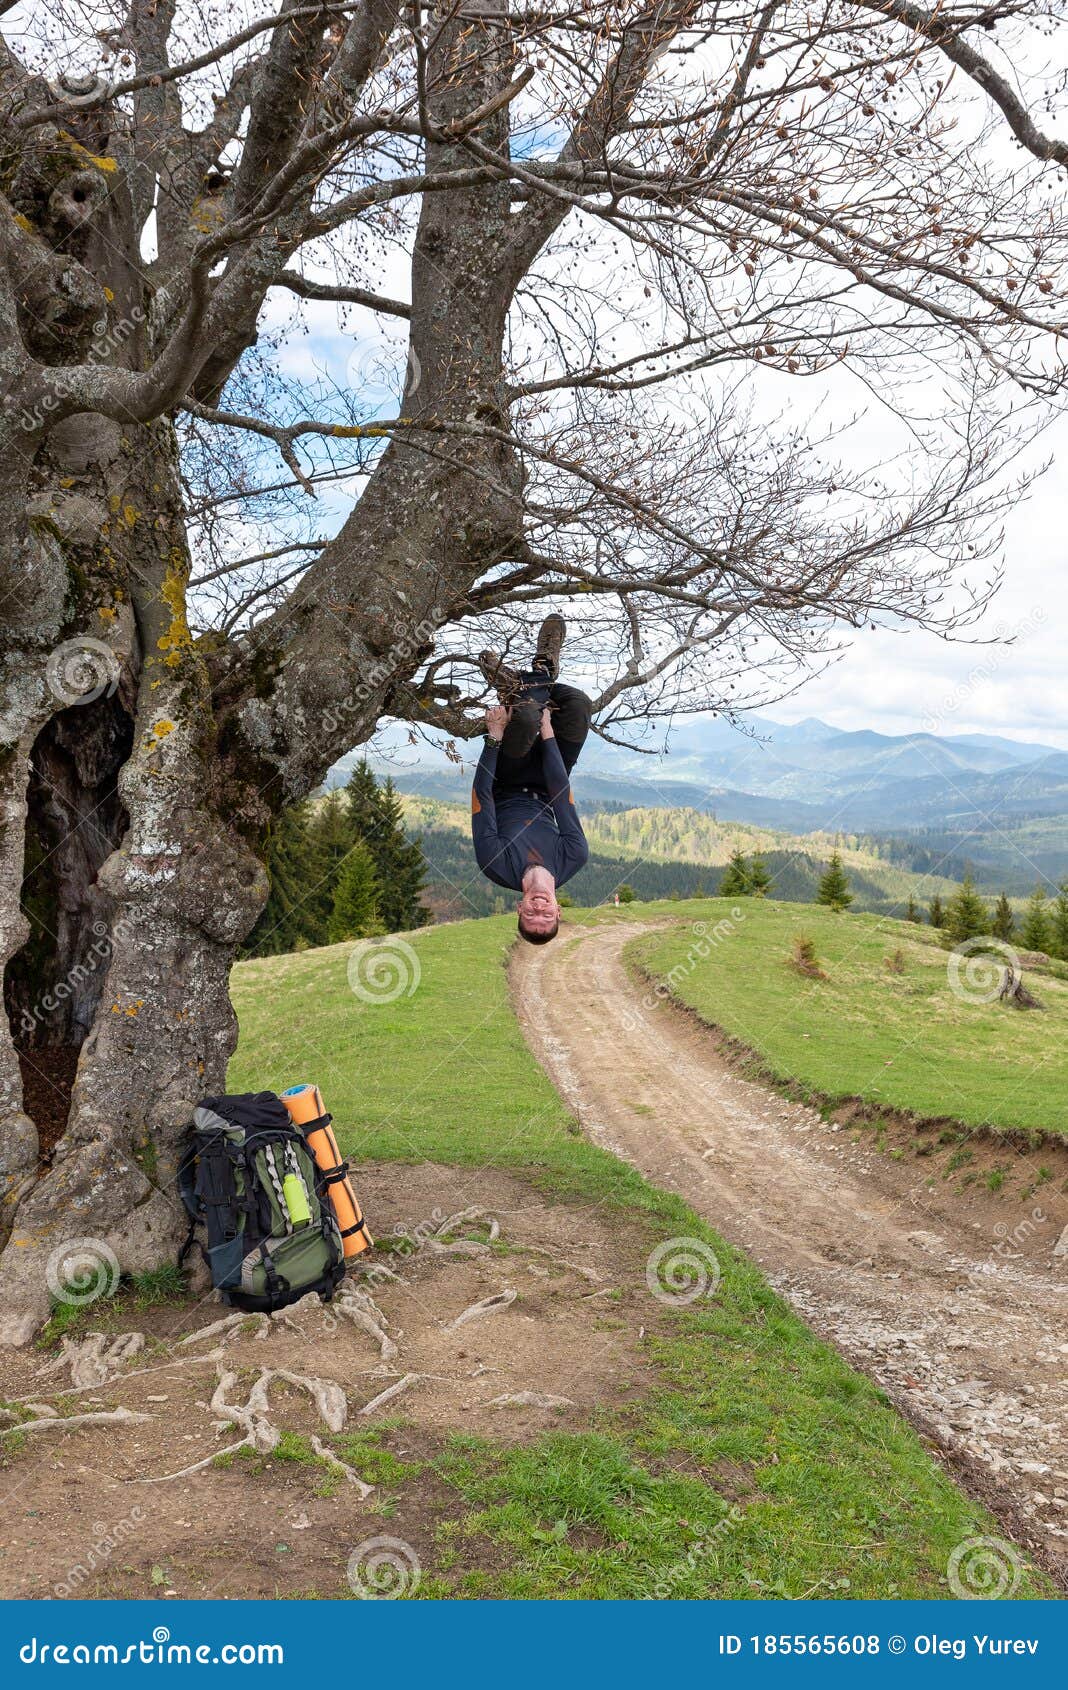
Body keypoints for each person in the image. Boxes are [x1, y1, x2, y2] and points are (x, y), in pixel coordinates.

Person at [470, 615, 591, 943]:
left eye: (531, 914)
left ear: (519, 908)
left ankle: (529, 685)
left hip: (506, 777)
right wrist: (549, 734)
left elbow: (481, 796)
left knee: (524, 719)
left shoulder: (495, 865)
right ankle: (532, 680)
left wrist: (494, 737)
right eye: (547, 915)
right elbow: (561, 793)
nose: (540, 909)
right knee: (579, 704)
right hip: (548, 780)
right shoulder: (574, 857)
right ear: (558, 910)